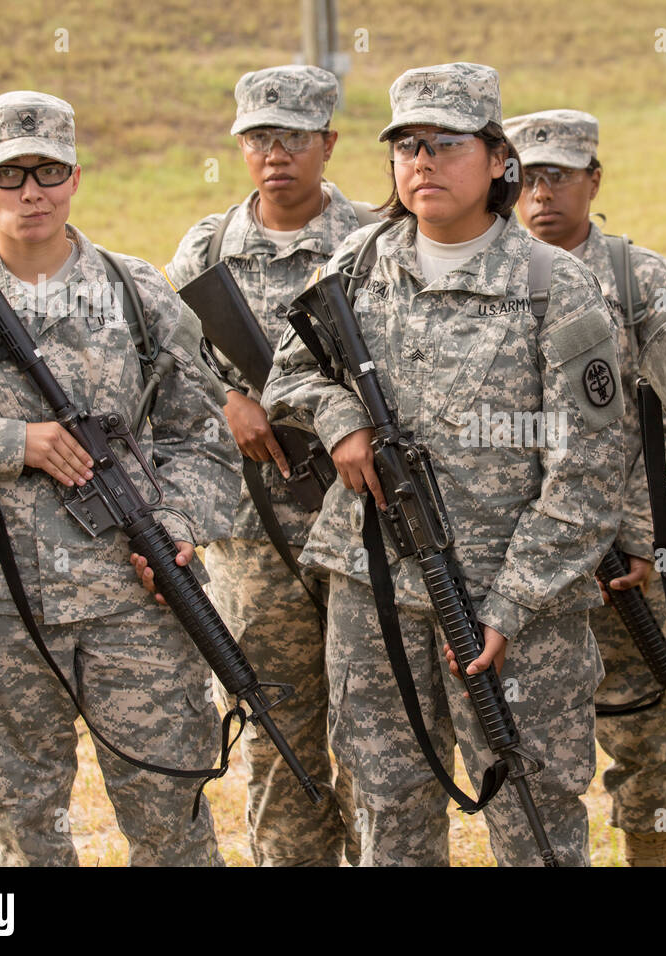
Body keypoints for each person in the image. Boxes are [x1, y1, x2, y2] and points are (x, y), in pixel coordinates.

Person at [264, 62, 625, 867]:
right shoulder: (357, 264)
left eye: (446, 144)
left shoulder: (555, 287)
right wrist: (342, 418)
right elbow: (288, 375)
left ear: (501, 161)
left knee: (535, 817)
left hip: (514, 609)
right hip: (374, 592)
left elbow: (591, 474)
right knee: (387, 812)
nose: (422, 161)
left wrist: (508, 606)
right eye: (407, 145)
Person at [0, 91, 236, 866]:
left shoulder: (139, 293)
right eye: (10, 174)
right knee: (23, 830)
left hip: (131, 597)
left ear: (75, 178)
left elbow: (202, 434)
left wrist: (181, 524)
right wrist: (10, 442)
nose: (31, 191)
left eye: (49, 170)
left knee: (174, 822)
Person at [165, 65, 363, 867]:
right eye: (257, 138)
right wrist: (226, 399)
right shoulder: (207, 247)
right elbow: (163, 362)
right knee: (278, 724)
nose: (274, 153)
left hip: (359, 520)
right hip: (251, 534)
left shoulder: (371, 238)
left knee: (377, 725)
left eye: (292, 136)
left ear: (328, 142)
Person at [504, 108, 666, 866]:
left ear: (594, 181)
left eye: (560, 176)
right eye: (528, 177)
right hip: (525, 545)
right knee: (537, 725)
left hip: (623, 552)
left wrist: (643, 532)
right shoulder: (497, 269)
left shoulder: (637, 277)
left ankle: (649, 854)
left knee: (646, 720)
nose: (542, 194)